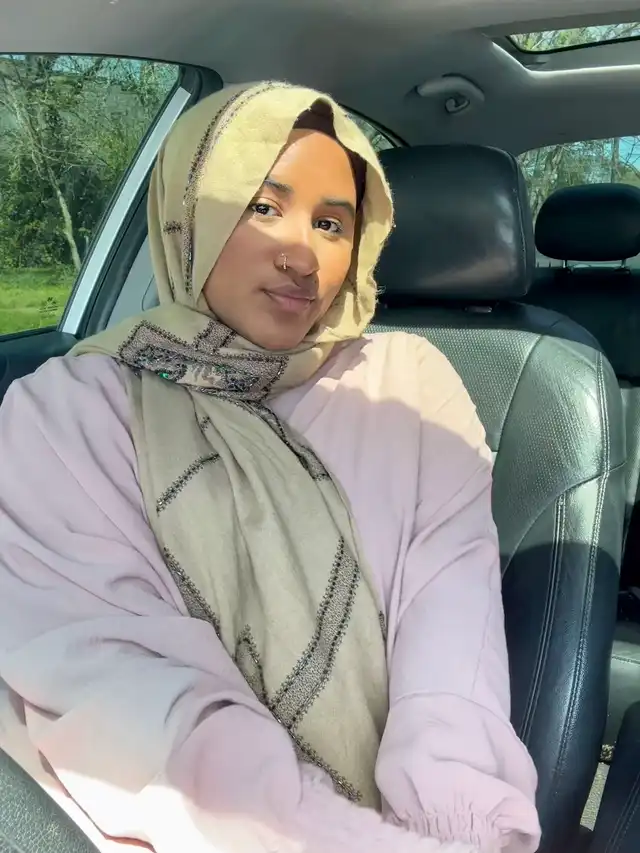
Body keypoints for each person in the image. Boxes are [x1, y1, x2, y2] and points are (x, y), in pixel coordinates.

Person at [0, 82, 541, 853]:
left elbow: (452, 640)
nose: (302, 255)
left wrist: (460, 833)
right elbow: (116, 687)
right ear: (188, 214)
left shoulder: (410, 390)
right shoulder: (67, 409)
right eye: (263, 206)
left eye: (331, 224)